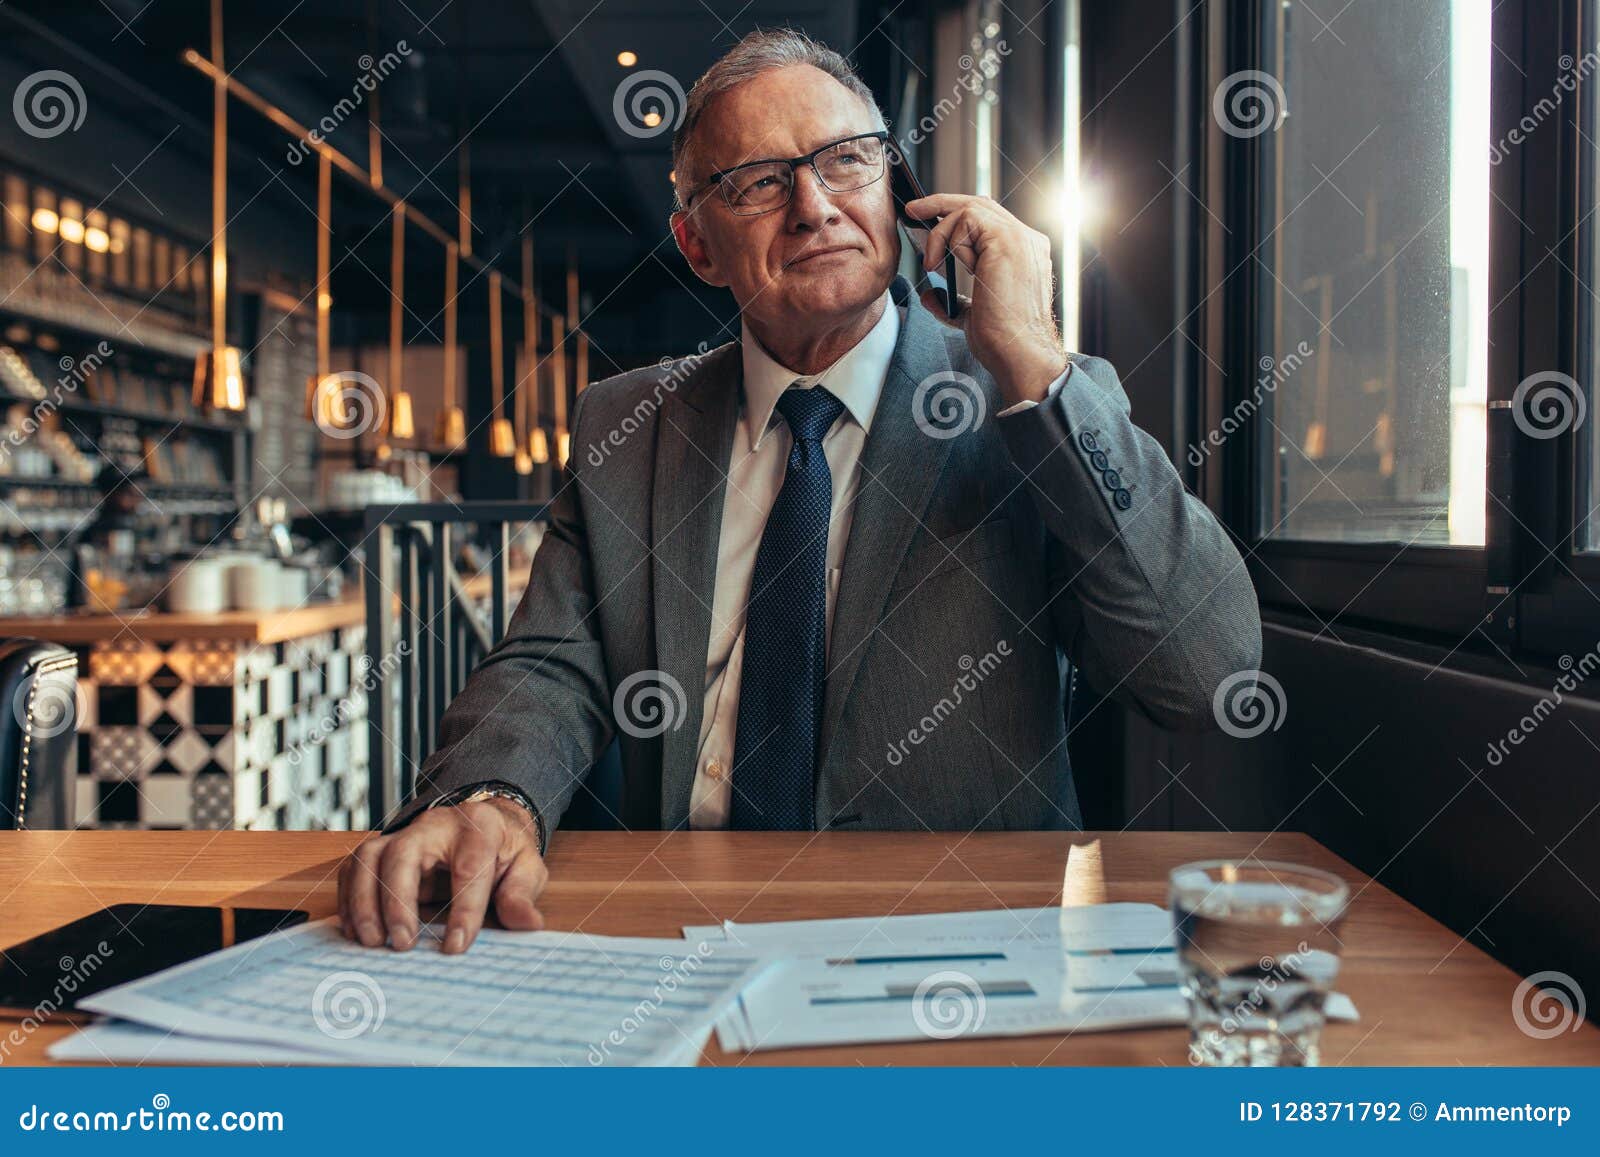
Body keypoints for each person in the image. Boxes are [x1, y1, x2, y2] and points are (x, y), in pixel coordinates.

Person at [337, 29, 1261, 954]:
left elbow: (1206, 672)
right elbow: (548, 664)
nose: (814, 207)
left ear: (901, 198)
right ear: (698, 244)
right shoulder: (626, 426)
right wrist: (491, 797)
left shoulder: (1023, 400)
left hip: (963, 955)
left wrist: (1032, 358)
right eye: (759, 180)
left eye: (846, 161)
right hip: (679, 940)